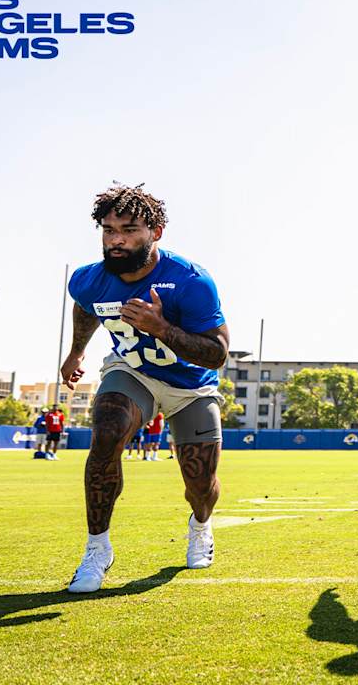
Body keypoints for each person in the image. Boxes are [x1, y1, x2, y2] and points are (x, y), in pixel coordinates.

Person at [60, 183, 229, 593]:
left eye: (130, 229)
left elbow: (217, 353)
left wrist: (161, 327)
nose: (116, 239)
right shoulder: (90, 279)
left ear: (156, 230)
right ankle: (97, 548)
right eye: (108, 229)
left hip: (191, 384)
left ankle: (200, 526)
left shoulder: (190, 281)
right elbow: (86, 307)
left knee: (200, 483)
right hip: (132, 370)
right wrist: (76, 352)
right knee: (107, 431)